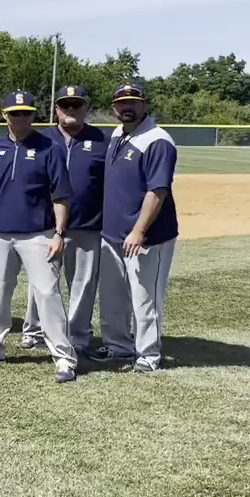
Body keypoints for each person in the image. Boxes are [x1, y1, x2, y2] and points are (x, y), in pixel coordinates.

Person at [0, 90, 79, 384]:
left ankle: (64, 358)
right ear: (4, 116)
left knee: (47, 294)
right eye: (15, 113)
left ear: (34, 115)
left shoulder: (49, 148)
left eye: (26, 112)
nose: (21, 118)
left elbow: (61, 196)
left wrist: (58, 233)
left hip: (38, 235)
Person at [90, 82, 179, 373]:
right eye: (122, 102)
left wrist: (139, 230)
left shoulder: (157, 140)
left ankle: (148, 355)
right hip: (112, 233)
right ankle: (118, 347)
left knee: (145, 297)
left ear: (144, 104)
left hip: (147, 237)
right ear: (115, 107)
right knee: (113, 296)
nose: (127, 107)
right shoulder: (117, 133)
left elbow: (158, 191)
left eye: (133, 102)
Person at [21, 84, 107, 354]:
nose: (70, 110)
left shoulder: (102, 140)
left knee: (82, 284)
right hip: (45, 226)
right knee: (41, 282)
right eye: (65, 105)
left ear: (86, 107)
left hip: (86, 225)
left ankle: (79, 335)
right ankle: (34, 331)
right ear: (56, 109)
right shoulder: (41, 139)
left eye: (76, 105)